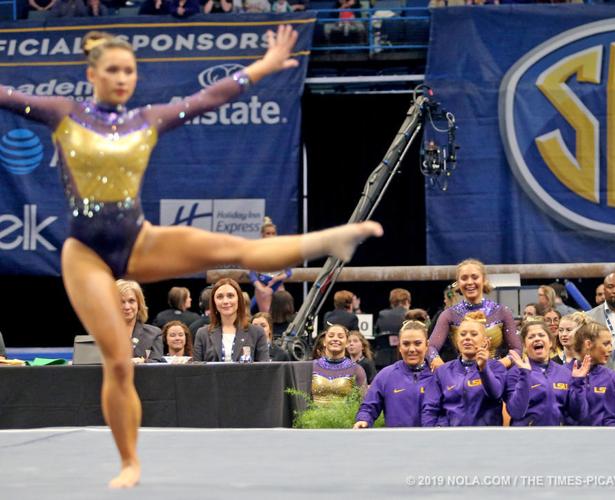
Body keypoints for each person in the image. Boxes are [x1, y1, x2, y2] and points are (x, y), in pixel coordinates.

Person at [0, 25, 382, 487]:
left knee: (237, 250)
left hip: (137, 237)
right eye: (113, 71)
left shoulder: (147, 119)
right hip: (85, 254)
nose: (122, 78)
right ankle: (129, 462)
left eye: (129, 71)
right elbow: (5, 95)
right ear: (92, 74)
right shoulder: (65, 114)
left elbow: (207, 99)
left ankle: (329, 241)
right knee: (119, 363)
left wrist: (263, 66)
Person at [427, 259, 520, 370]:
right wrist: (436, 360)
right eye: (464, 278)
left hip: (495, 375)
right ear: (458, 282)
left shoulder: (501, 312)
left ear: (484, 280)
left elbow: (517, 349)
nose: (470, 282)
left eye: (475, 277)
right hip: (462, 377)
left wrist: (499, 365)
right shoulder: (449, 314)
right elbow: (431, 347)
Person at [421, 312, 507, 426]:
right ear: (457, 341)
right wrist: (432, 435)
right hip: (451, 439)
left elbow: (495, 394)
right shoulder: (443, 372)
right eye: (463, 334)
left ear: (485, 342)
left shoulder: (497, 367)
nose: (467, 338)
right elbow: (430, 409)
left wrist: (484, 368)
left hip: (486, 438)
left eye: (474, 334)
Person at [505, 320, 590, 426]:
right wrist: (524, 374)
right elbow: (516, 412)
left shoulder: (565, 373)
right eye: (531, 337)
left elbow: (579, 415)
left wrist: (578, 383)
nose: (537, 338)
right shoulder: (515, 373)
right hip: (526, 439)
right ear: (525, 346)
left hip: (557, 438)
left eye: (541, 335)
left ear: (550, 342)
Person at [354, 320, 433, 428]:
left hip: (432, 442)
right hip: (396, 442)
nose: (412, 349)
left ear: (427, 345)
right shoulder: (386, 375)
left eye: (417, 343)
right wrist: (363, 420)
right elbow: (368, 407)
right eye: (406, 344)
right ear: (399, 346)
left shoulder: (438, 376)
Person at [193, 278, 270, 363]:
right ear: (214, 302)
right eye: (220, 297)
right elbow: (197, 371)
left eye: (230, 296)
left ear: (239, 299)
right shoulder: (202, 334)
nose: (225, 301)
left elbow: (264, 371)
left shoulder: (257, 333)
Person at [570, 321, 613, 426]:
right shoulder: (563, 373)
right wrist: (577, 382)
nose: (611, 349)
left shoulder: (612, 377)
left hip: (604, 439)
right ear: (588, 344)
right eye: (606, 344)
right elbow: (577, 414)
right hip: (571, 439)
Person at [312, 324, 367, 405]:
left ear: (347, 343)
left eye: (340, 337)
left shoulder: (356, 369)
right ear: (324, 342)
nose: (335, 339)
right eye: (331, 336)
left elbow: (364, 403)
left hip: (345, 417)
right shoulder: (312, 367)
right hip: (312, 417)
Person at [248, 217, 292, 313]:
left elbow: (289, 272)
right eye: (268, 233)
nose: (271, 236)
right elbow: (252, 274)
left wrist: (277, 279)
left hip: (278, 285)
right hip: (262, 287)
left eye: (273, 233)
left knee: (281, 314)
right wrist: (260, 288)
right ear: (262, 235)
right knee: (266, 314)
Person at [116, 280, 163, 364]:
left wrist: (143, 361)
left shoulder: (154, 334)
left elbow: (157, 364)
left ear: (139, 304)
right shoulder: (103, 335)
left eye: (131, 301)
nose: (127, 307)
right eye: (121, 302)